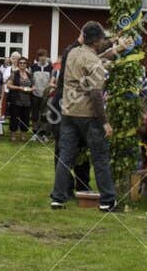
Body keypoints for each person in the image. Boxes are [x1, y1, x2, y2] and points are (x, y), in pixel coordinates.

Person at [49, 23, 119, 211]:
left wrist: (113, 46)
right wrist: (105, 122)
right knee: (100, 157)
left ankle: (58, 198)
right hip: (88, 115)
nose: (103, 41)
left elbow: (94, 56)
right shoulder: (94, 62)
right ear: (96, 41)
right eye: (102, 39)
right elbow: (96, 94)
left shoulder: (72, 53)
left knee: (65, 156)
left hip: (68, 112)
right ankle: (107, 200)